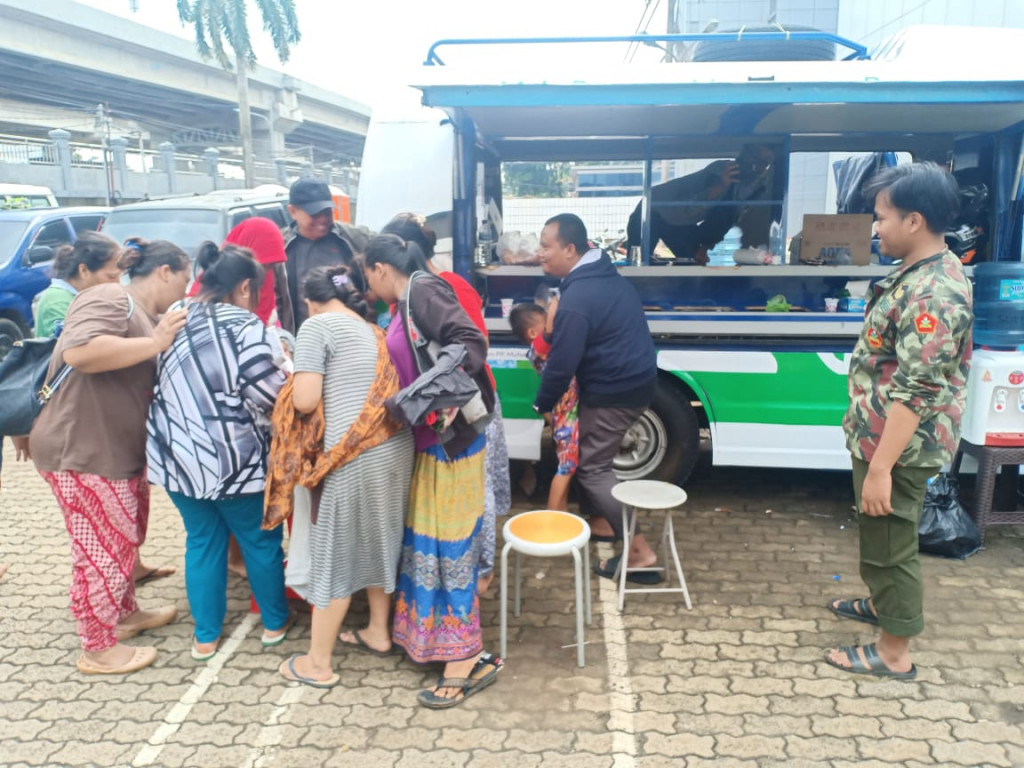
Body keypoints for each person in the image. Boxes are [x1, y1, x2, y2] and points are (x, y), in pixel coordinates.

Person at [828, 162, 972, 680]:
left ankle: (893, 650)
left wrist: (882, 467)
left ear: (914, 220)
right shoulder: (918, 273)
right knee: (879, 536)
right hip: (882, 438)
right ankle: (881, 603)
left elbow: (917, 390)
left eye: (881, 217)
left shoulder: (934, 292)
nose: (875, 228)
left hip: (899, 447)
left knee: (890, 547)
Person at [26, 238, 190, 675]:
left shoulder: (137, 310)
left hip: (111, 450)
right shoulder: (110, 296)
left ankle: (124, 614)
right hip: (82, 449)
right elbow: (80, 352)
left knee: (121, 542)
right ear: (166, 272)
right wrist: (155, 343)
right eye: (186, 279)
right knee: (102, 551)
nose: (186, 291)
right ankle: (98, 648)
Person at [363, 234, 503, 709]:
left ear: (381, 267)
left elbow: (469, 342)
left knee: (450, 547)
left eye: (367, 273)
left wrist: (423, 391)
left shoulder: (423, 290)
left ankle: (464, 658)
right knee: (428, 545)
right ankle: (434, 642)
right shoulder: (404, 301)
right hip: (430, 444)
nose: (367, 282)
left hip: (453, 444)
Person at [146, 242, 293, 662]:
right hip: (234, 461)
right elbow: (269, 395)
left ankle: (206, 636)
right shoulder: (244, 325)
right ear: (245, 286)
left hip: (176, 459)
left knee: (202, 542)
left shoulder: (171, 317)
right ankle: (274, 622)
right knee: (259, 542)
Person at [274, 266, 414, 688]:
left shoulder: (316, 326)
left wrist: (291, 377)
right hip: (393, 444)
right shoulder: (373, 329)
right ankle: (377, 631)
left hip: (351, 454)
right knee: (380, 537)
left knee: (334, 549)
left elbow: (305, 399)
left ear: (309, 302)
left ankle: (318, 662)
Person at [381, 212, 511, 595]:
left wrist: (434, 389)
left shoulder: (440, 287)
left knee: (476, 487)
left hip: (463, 405)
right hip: (444, 407)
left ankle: (481, 571)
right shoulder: (414, 289)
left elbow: (472, 345)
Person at [533, 214, 661, 583]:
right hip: (629, 382)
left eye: (546, 246)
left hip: (616, 391)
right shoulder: (599, 275)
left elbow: (560, 364)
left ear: (570, 250)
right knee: (596, 460)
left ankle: (640, 554)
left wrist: (542, 404)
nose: (540, 253)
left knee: (591, 469)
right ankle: (604, 525)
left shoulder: (579, 297)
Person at [625, 144, 776, 264]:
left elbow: (728, 218)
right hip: (653, 209)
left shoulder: (752, 187)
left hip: (679, 219)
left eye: (766, 163)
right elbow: (695, 208)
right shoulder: (723, 171)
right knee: (638, 261)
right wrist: (722, 186)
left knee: (692, 262)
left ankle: (684, 299)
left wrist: (704, 247)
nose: (761, 167)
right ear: (748, 157)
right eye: (758, 160)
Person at [509, 300, 579, 513]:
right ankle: (551, 515)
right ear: (532, 333)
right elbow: (549, 333)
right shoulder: (538, 349)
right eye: (547, 322)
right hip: (566, 414)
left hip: (563, 413)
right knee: (567, 466)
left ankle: (562, 511)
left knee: (566, 463)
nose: (554, 325)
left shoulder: (540, 348)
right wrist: (556, 306)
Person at [282, 178, 368, 332]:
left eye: (327, 212)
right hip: (304, 339)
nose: (323, 219)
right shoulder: (282, 247)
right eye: (315, 214)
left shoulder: (353, 238)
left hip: (353, 334)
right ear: (293, 211)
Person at [188, 217, 294, 330]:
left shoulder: (266, 281)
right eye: (264, 265)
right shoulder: (203, 298)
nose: (266, 273)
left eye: (272, 265)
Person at [34, 231, 123, 338]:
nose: (118, 283)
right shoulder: (56, 302)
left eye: (120, 276)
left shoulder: (91, 296)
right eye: (111, 277)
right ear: (84, 270)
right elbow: (75, 345)